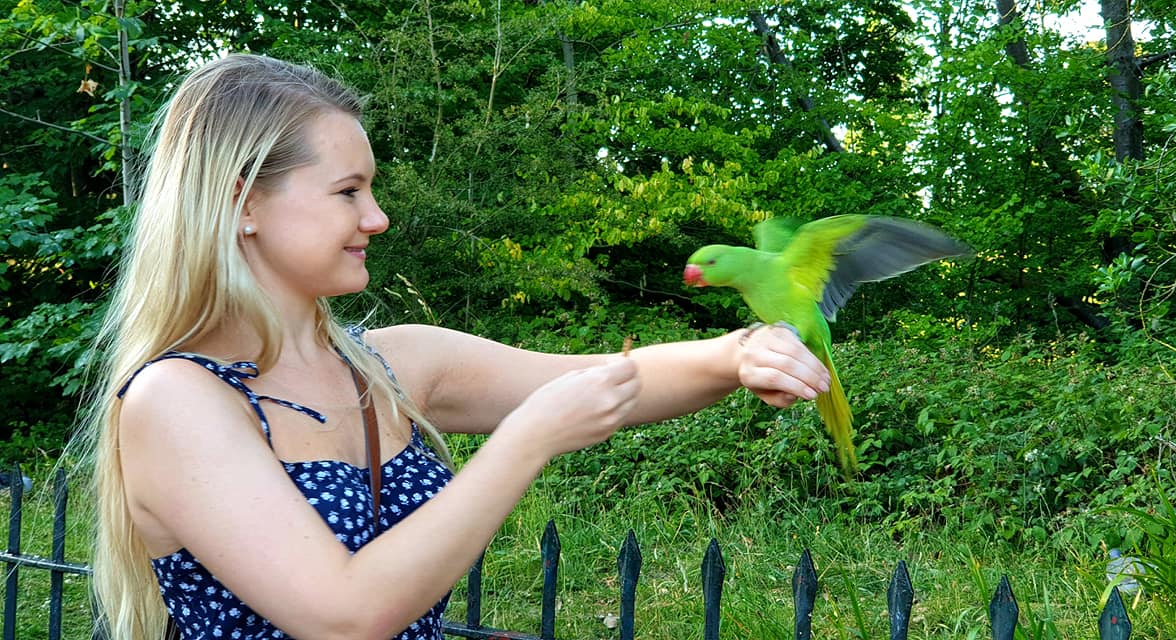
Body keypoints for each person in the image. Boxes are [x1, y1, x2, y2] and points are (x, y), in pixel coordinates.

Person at [81, 53, 830, 640]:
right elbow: (344, 616)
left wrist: (736, 355)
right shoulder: (178, 399)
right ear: (244, 202)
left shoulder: (390, 365)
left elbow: (607, 380)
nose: (376, 217)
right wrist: (526, 441)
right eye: (348, 191)